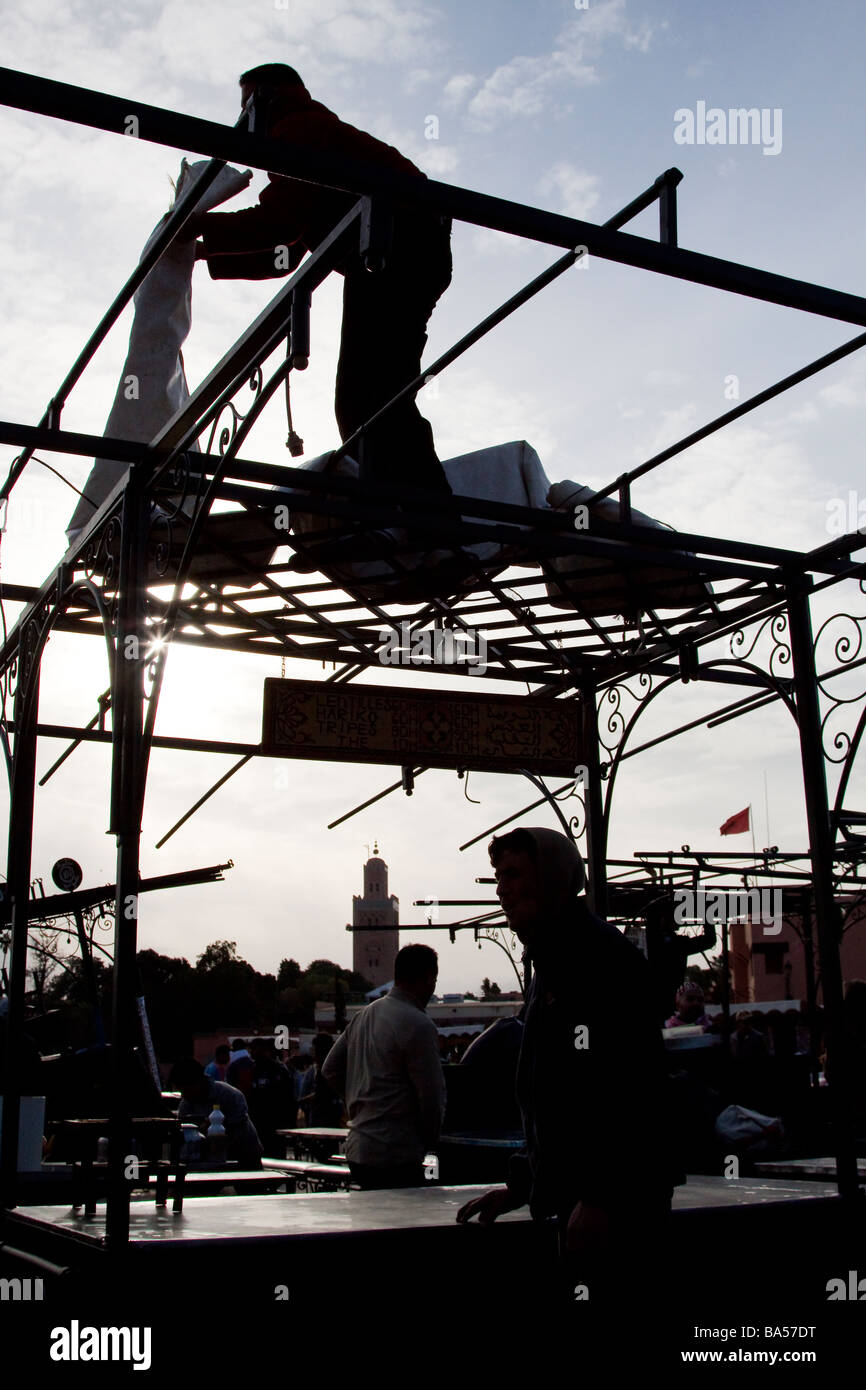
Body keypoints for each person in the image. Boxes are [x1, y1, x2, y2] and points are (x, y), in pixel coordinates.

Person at [185, 63, 454, 502]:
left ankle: (428, 528)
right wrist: (203, 249)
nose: (242, 126)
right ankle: (416, 525)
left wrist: (198, 227)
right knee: (374, 398)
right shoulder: (308, 134)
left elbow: (279, 224)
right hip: (397, 252)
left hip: (393, 250)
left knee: (370, 400)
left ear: (263, 101)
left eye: (245, 109)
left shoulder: (299, 130)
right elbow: (286, 250)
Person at [456, 827, 683, 1317]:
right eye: (499, 877)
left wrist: (603, 1197)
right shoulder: (555, 960)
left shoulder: (593, 956)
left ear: (554, 878)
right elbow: (557, 1096)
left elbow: (630, 1087)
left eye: (514, 874)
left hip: (617, 1210)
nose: (502, 889)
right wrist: (524, 1184)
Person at [322, 943, 446, 1188]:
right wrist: (432, 1143)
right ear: (429, 978)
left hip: (358, 1147)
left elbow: (330, 1069)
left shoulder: (363, 1016)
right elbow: (431, 1097)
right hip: (396, 1152)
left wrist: (361, 1104)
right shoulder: (418, 1024)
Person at [170, 1058, 263, 1168]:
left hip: (244, 1155)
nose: (183, 1095)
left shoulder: (229, 1095)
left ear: (200, 1081)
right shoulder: (186, 1104)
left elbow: (236, 1129)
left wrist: (210, 1130)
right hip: (206, 1160)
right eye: (181, 1090)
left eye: (186, 1089)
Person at [309, 1033, 344, 1128]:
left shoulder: (325, 1068)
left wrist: (301, 1101)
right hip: (332, 1110)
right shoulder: (334, 1065)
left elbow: (321, 1093)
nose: (312, 1050)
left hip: (324, 1113)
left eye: (314, 1047)